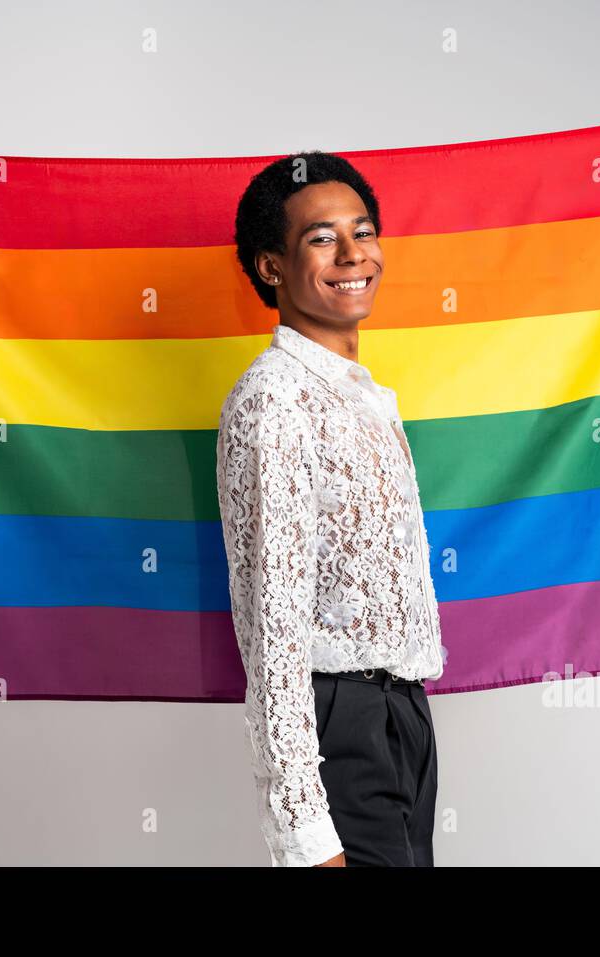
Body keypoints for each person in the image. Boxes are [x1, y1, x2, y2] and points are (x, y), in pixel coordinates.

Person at [215, 151, 445, 867]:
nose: (353, 254)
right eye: (321, 238)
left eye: (363, 231)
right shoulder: (275, 401)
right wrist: (306, 837)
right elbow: (273, 633)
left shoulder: (364, 397)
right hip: (336, 725)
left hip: (401, 715)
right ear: (271, 267)